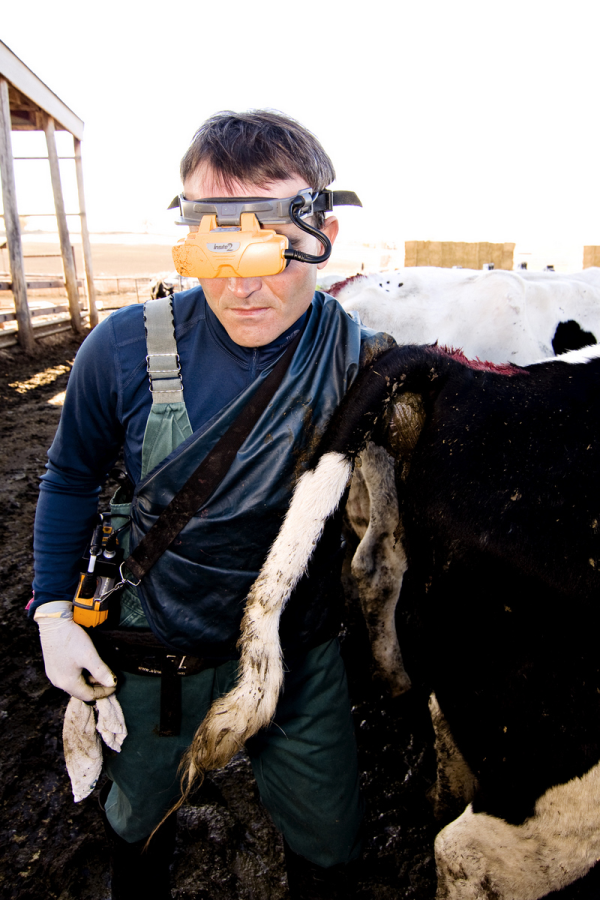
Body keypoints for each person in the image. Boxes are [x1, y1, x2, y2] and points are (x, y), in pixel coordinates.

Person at [30, 110, 394, 900]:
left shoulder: (362, 364)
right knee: (137, 832)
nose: (242, 283)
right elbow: (67, 479)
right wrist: (53, 612)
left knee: (330, 852)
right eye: (215, 249)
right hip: (159, 652)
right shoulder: (122, 350)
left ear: (322, 232)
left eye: (270, 248)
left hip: (299, 656)